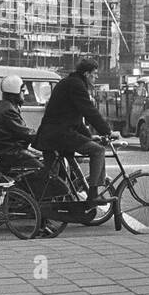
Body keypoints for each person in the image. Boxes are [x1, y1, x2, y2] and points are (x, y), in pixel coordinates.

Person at [35, 59, 112, 212]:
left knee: (54, 176)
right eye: (94, 74)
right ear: (86, 74)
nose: (96, 78)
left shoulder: (70, 82)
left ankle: (47, 211)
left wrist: (90, 137)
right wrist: (107, 131)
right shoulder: (76, 85)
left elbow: (76, 119)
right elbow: (89, 111)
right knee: (98, 151)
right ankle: (93, 195)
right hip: (59, 135)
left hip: (53, 134)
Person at [0, 74, 43, 179]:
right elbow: (25, 132)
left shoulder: (4, 106)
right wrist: (44, 137)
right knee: (43, 172)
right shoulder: (8, 110)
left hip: (9, 152)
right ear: (15, 92)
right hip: (13, 153)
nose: (24, 94)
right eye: (22, 91)